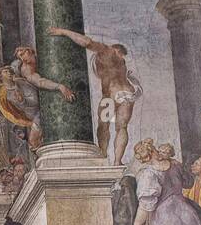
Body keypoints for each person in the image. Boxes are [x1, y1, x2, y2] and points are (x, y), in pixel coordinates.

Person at [46, 27, 140, 165]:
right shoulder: (122, 63)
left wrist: (64, 32)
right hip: (125, 95)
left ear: (116, 49)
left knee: (104, 126)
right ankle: (117, 161)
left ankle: (102, 156)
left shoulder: (108, 51)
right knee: (121, 127)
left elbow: (86, 42)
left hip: (110, 97)